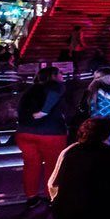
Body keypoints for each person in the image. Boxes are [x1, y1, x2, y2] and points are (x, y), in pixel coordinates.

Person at [47, 117, 110, 219]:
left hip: (67, 215)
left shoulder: (69, 152)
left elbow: (53, 183)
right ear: (106, 134)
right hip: (105, 214)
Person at [16, 66, 68, 206]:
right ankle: (52, 196)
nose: (63, 75)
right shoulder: (56, 86)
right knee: (53, 165)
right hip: (51, 133)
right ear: (53, 75)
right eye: (60, 73)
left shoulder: (30, 89)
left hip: (25, 132)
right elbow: (54, 95)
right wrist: (43, 112)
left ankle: (32, 197)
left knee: (31, 165)